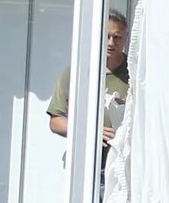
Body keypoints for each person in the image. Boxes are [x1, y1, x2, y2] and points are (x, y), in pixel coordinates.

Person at [47, 9, 130, 147]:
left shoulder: (135, 74)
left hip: (124, 159)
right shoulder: (77, 73)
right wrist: (91, 132)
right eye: (107, 36)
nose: (111, 43)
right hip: (86, 158)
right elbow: (55, 122)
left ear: (126, 38)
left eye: (117, 37)